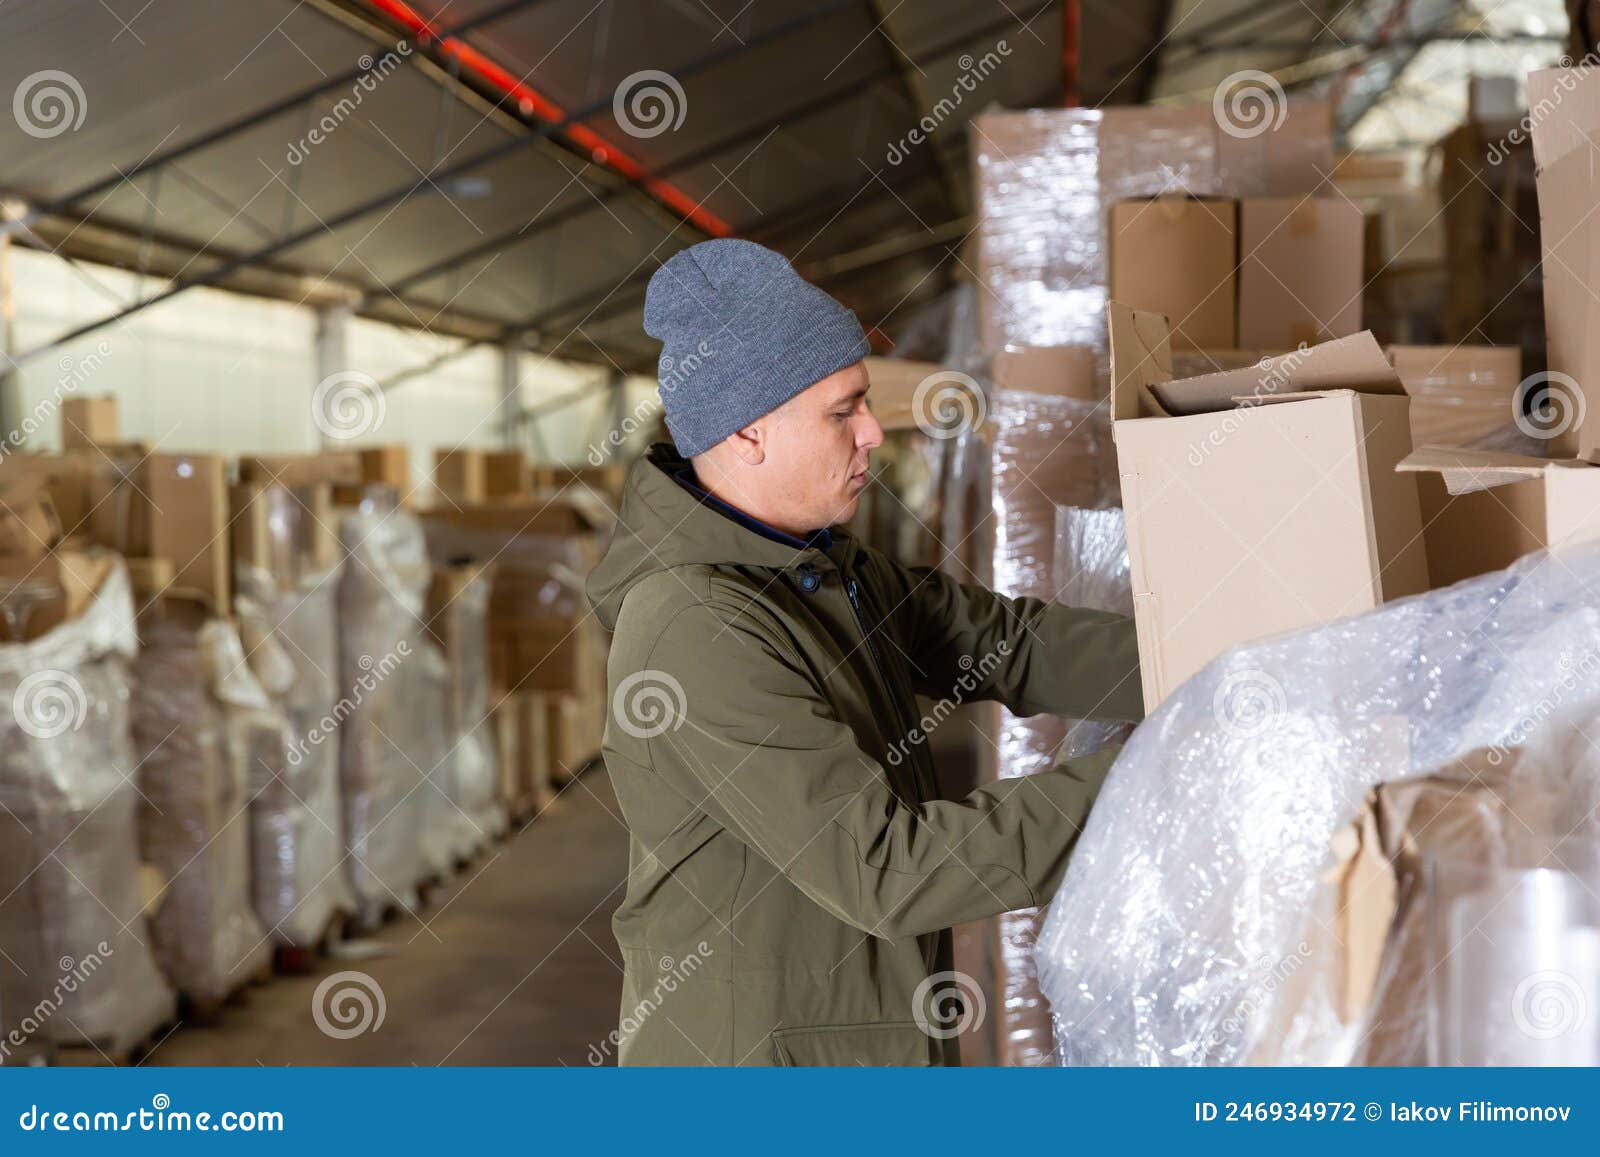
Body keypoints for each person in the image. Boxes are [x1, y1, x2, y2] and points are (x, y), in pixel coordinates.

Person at [585, 238, 1142, 1066]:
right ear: (748, 432)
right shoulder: (694, 627)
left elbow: (1006, 644)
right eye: (843, 410)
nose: (875, 433)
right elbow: (887, 868)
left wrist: (1210, 657)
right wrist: (1159, 769)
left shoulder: (821, 568)